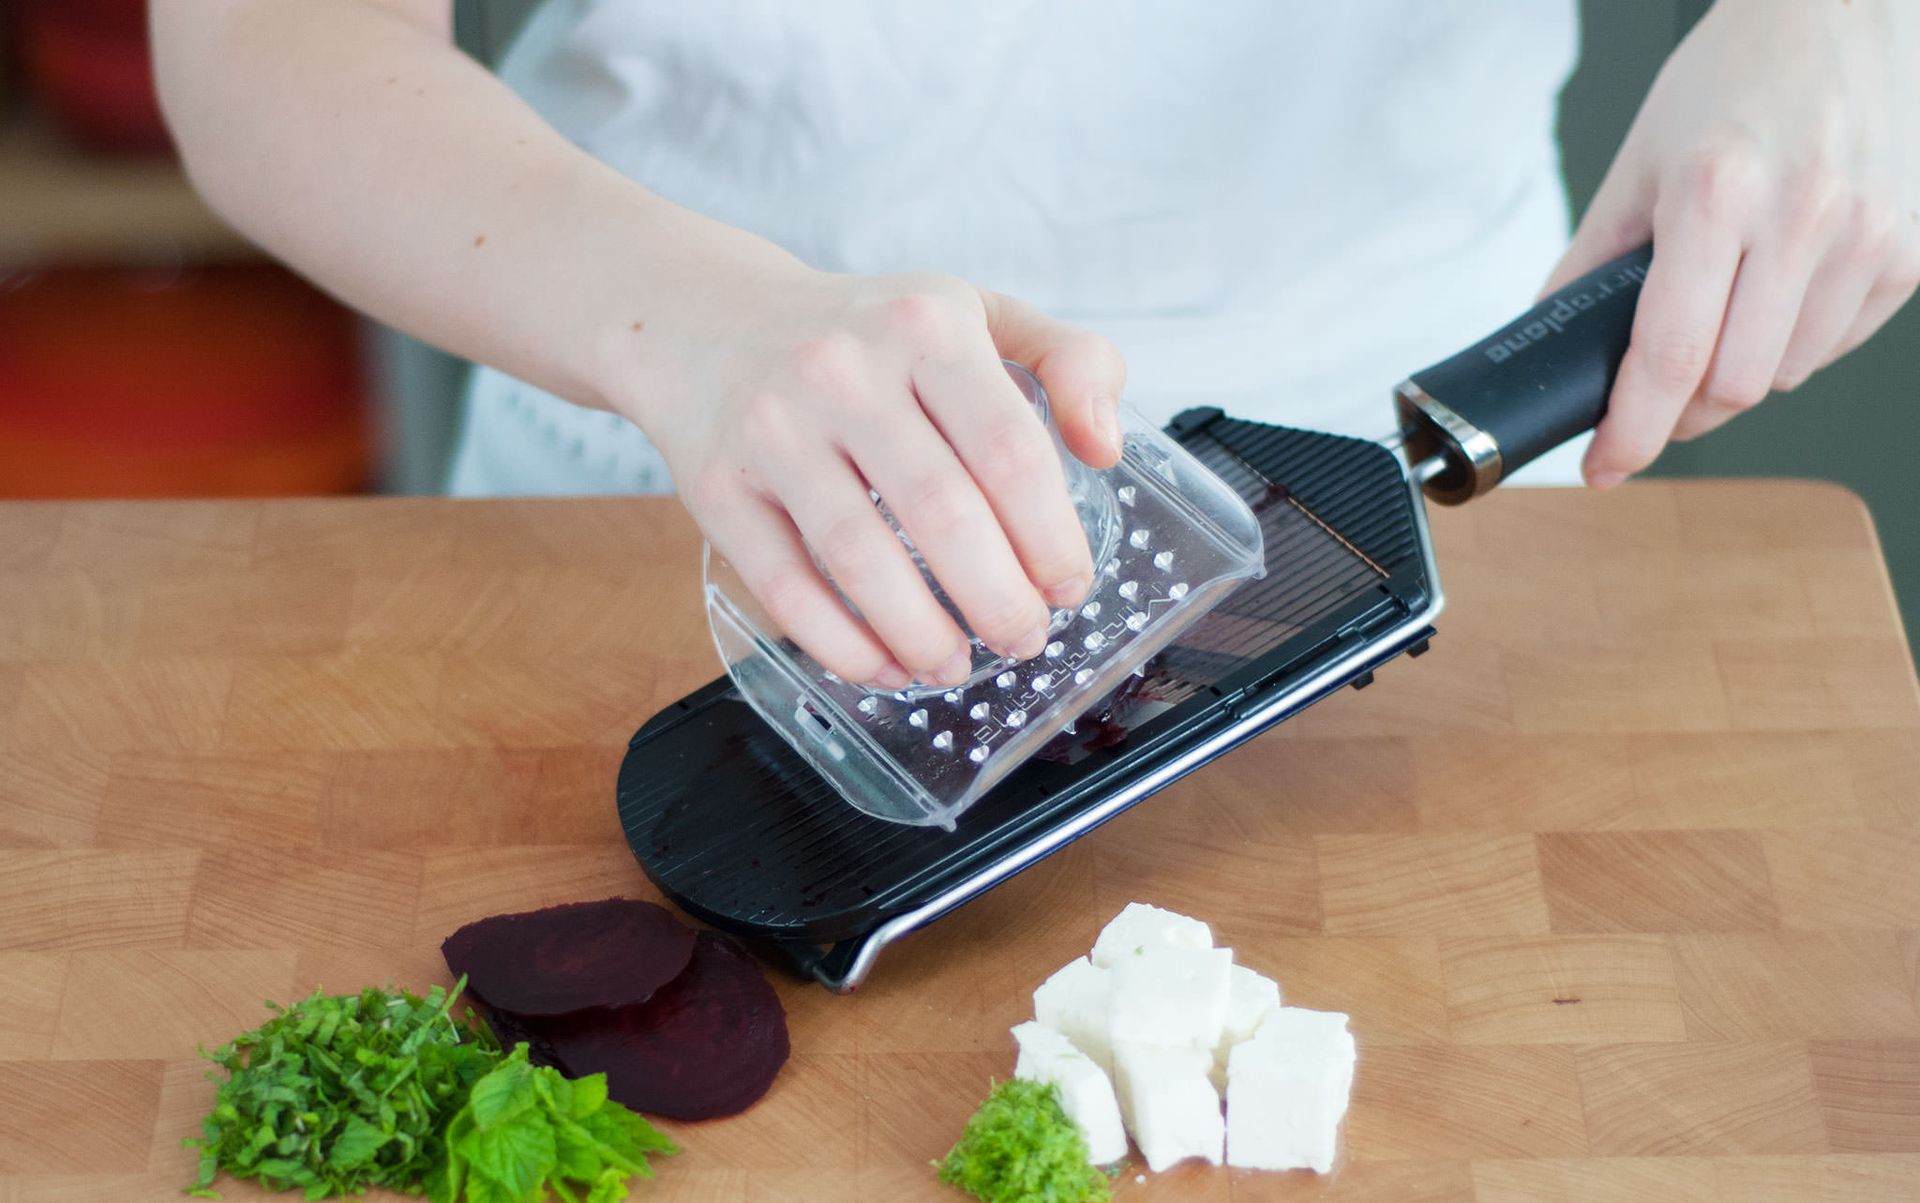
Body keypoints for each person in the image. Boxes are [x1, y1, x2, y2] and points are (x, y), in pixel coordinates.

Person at [153, 1, 1918, 693]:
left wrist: (1852, 31)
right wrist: (687, 322)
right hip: (672, 451)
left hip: (1427, 497)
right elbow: (261, 48)